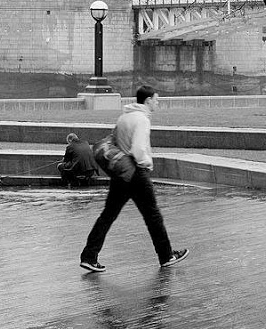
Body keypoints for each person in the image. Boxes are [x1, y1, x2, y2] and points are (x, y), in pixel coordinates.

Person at [79, 85, 188, 272]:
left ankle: (89, 256)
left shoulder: (124, 117)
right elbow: (138, 149)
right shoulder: (142, 120)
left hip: (121, 172)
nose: (157, 103)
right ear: (147, 101)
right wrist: (146, 163)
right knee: (153, 216)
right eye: (156, 99)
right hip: (137, 172)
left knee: (108, 215)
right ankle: (166, 255)